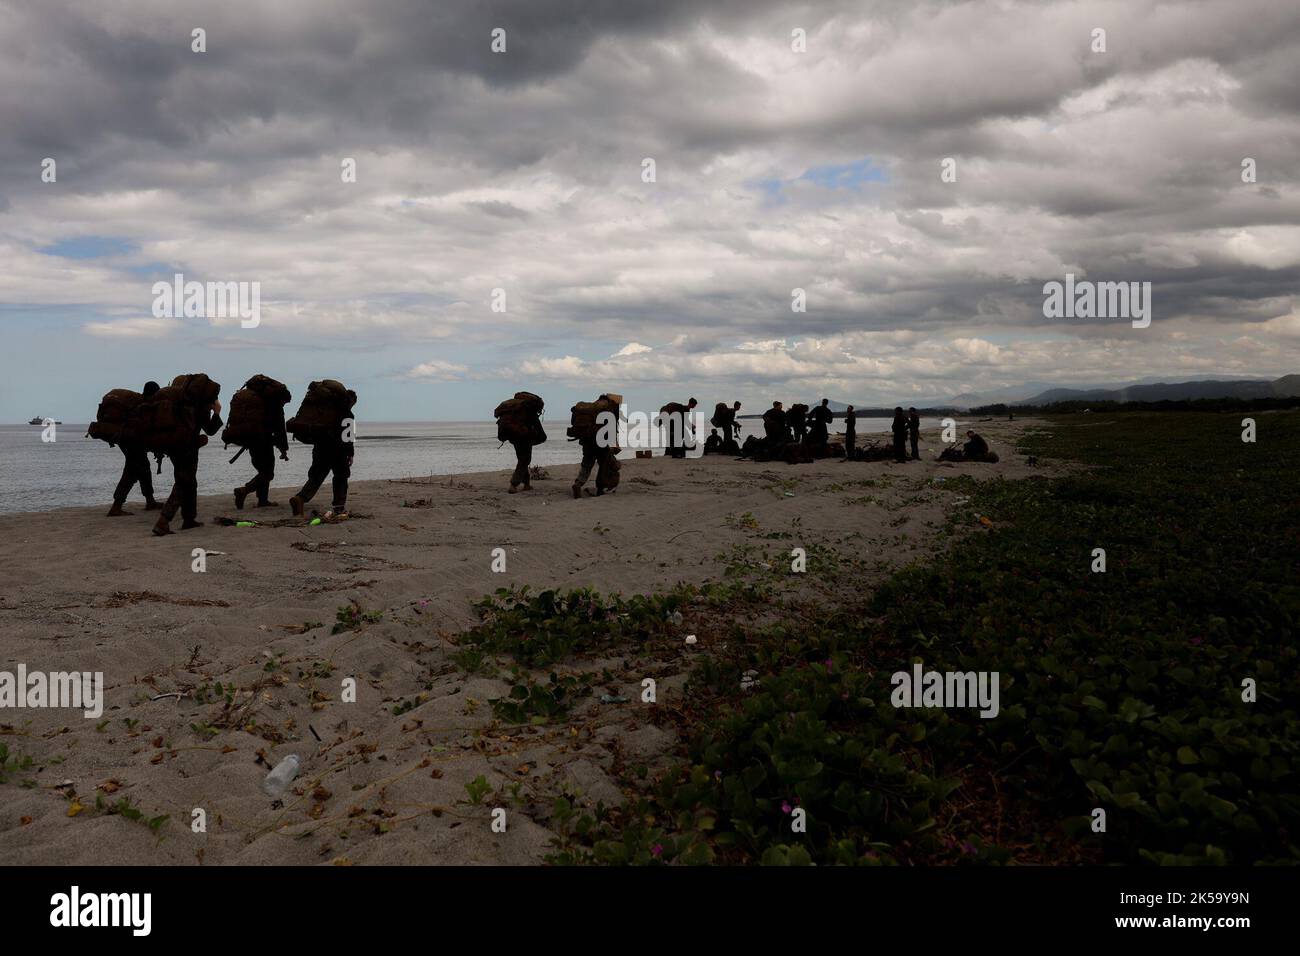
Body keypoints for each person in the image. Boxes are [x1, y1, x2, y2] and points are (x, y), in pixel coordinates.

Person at [153, 382, 223, 536]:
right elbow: (210, 430)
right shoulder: (198, 405)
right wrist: (217, 412)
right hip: (187, 446)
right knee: (184, 481)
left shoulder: (180, 403)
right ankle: (163, 521)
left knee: (189, 481)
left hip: (171, 445)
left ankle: (189, 519)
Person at [290, 387, 356, 518]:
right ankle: (339, 507)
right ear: (350, 401)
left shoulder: (324, 411)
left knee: (316, 477)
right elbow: (348, 438)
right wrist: (350, 454)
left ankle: (300, 498)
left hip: (320, 449)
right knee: (341, 477)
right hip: (339, 451)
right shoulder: (348, 414)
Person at [233, 381, 290, 509]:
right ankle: (244, 491)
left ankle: (263, 500)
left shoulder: (259, 402)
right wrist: (284, 449)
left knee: (263, 470)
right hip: (264, 441)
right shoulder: (275, 406)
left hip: (251, 439)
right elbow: (280, 429)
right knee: (268, 473)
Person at [107, 380, 161, 516]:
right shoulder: (142, 407)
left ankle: (150, 501)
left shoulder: (138, 403)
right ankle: (116, 506)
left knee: (144, 468)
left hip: (128, 441)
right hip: (132, 442)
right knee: (131, 472)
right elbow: (140, 427)